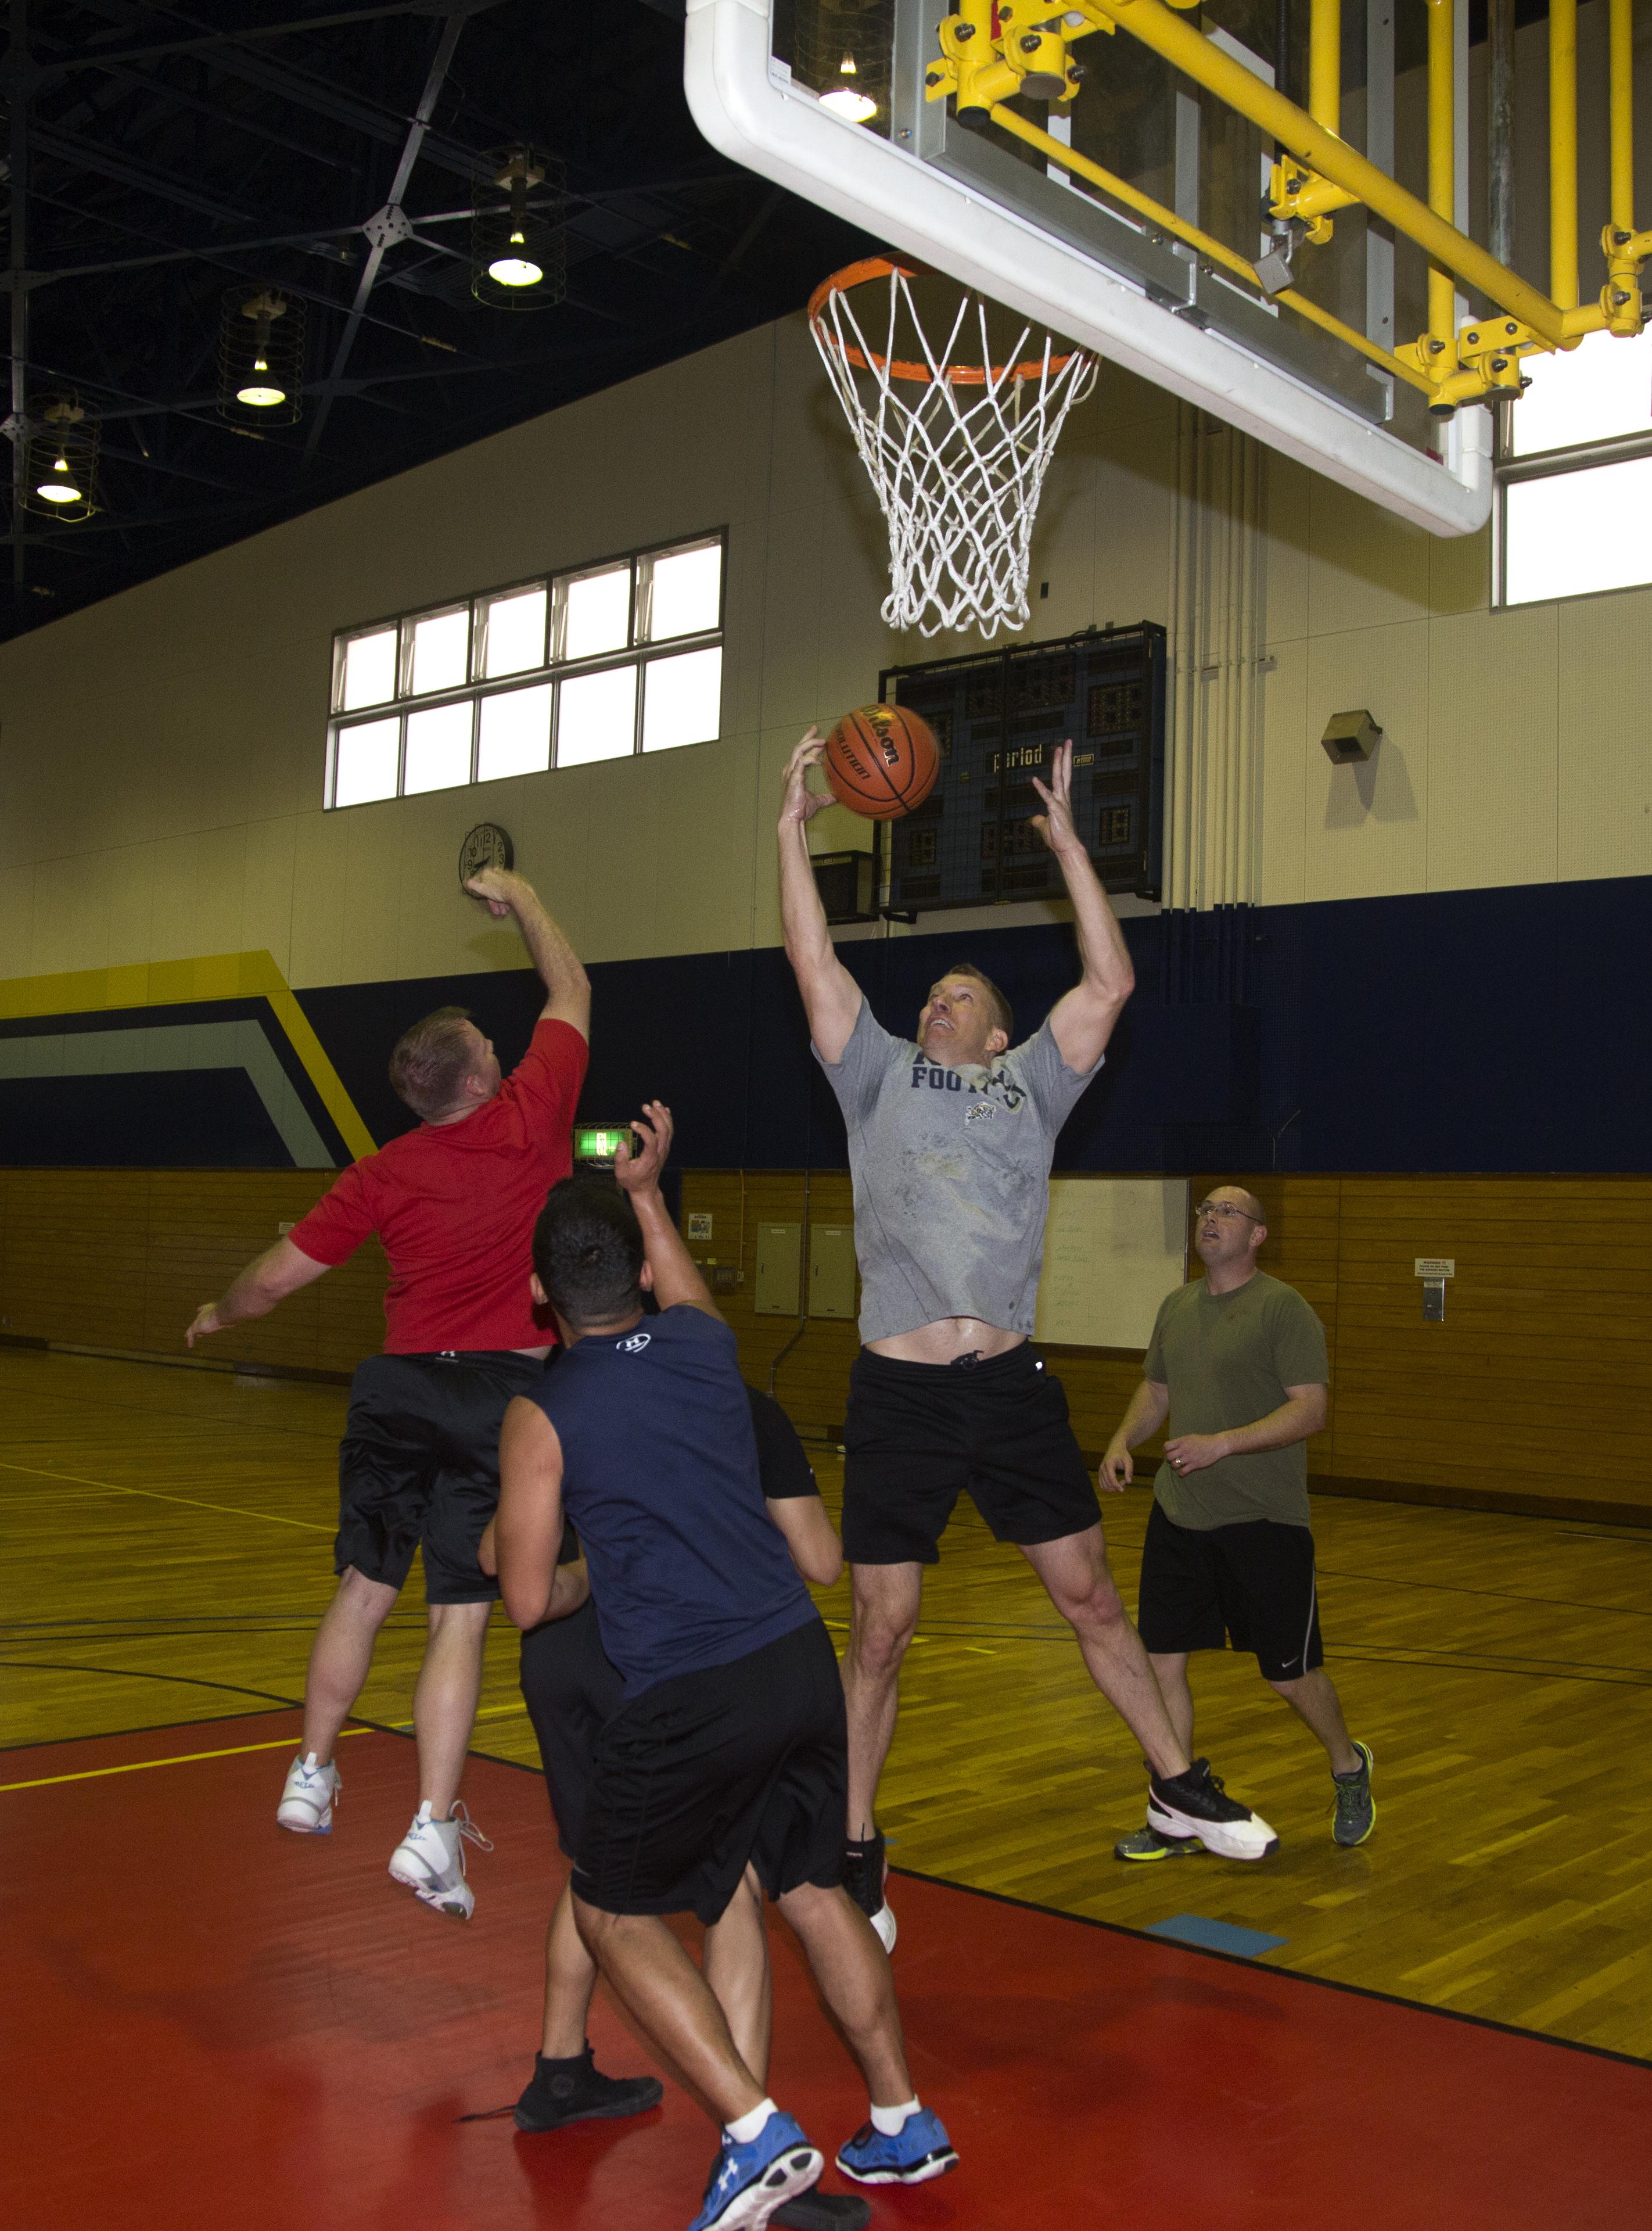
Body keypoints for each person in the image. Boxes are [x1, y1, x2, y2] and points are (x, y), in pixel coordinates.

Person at [777, 730, 1277, 1946]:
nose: (940, 998)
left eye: (964, 995)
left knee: (1088, 1595)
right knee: (881, 1632)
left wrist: (1069, 852)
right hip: (898, 1396)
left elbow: (1108, 984)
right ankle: (854, 1844)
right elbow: (815, 962)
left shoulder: (1030, 1087)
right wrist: (792, 832)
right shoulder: (875, 1074)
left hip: (1006, 1386)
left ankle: (1173, 1778)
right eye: (933, 991)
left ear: (998, 1036)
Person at [494, 1107, 957, 2231]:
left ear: (541, 1296)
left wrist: (588, 1577)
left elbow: (522, 1598)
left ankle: (755, 2134)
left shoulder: (540, 1411)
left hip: (691, 1691)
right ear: (640, 1274)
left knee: (611, 1907)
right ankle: (900, 2119)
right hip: (796, 1664)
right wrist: (648, 1190)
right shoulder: (703, 1347)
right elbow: (687, 1297)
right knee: (808, 1887)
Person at [186, 865, 590, 1922]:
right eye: (492, 1052)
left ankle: (312, 1769)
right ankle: (429, 1826)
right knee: (457, 1619)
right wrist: (524, 904)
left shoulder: (382, 1171)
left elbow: (276, 1277)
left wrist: (222, 1315)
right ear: (476, 1080)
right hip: (500, 1393)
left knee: (364, 1589)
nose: (507, 1055)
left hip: (398, 1389)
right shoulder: (531, 1116)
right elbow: (571, 990)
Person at [499, 1383, 872, 2230]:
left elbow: (497, 1550)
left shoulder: (559, 1398)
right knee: (728, 1877)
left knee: (600, 1869)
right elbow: (821, 1560)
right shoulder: (731, 1403)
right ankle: (753, 2140)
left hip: (563, 1659)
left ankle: (562, 2073)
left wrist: (583, 1565)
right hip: (667, 1659)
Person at [1101, 1185, 1374, 1857]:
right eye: (1206, 1211)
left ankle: (1348, 1765)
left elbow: (1310, 1410)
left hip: (1263, 1522)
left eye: (1228, 1212)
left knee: (1288, 1675)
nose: (1211, 1220)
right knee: (1162, 1664)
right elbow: (1158, 1388)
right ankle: (1176, 1808)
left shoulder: (1285, 1310)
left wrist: (1223, 1443)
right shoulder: (1177, 1306)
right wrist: (1121, 1440)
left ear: (1257, 1236)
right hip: (1179, 1512)